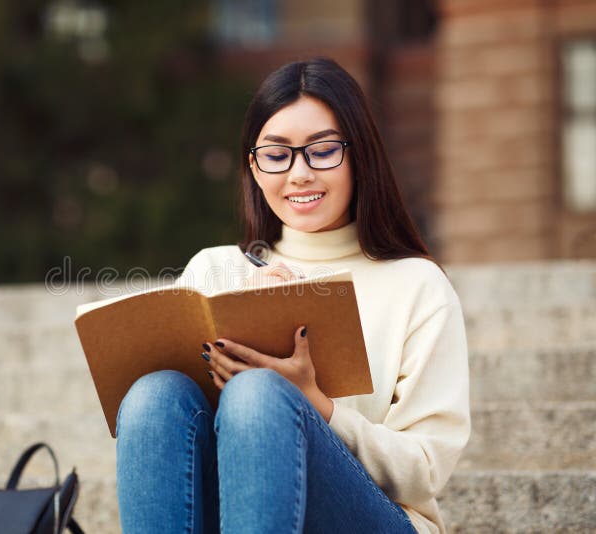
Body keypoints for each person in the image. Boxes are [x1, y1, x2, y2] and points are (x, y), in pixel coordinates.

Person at [114, 57, 470, 534]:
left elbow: (425, 471)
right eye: (277, 155)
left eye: (322, 151)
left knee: (261, 393)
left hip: (374, 519)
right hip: (228, 512)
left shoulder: (416, 285)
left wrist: (314, 404)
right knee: (153, 394)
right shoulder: (214, 270)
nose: (299, 174)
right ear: (255, 169)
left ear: (359, 157)